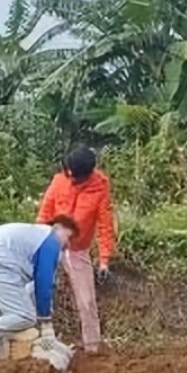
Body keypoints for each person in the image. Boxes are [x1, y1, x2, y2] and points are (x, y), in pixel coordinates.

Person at [36, 144, 115, 353]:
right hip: (50, 243)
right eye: (67, 173)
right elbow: (44, 214)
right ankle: (30, 342)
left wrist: (104, 259)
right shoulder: (59, 180)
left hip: (77, 249)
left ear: (86, 175)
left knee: (87, 302)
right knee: (31, 290)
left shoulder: (100, 189)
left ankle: (92, 348)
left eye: (75, 177)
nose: (70, 179)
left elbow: (105, 225)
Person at [0, 217, 79, 360]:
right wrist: (46, 323)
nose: (68, 244)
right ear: (56, 227)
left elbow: (31, 289)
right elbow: (43, 282)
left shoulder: (32, 237)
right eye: (68, 237)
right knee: (25, 316)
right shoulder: (51, 240)